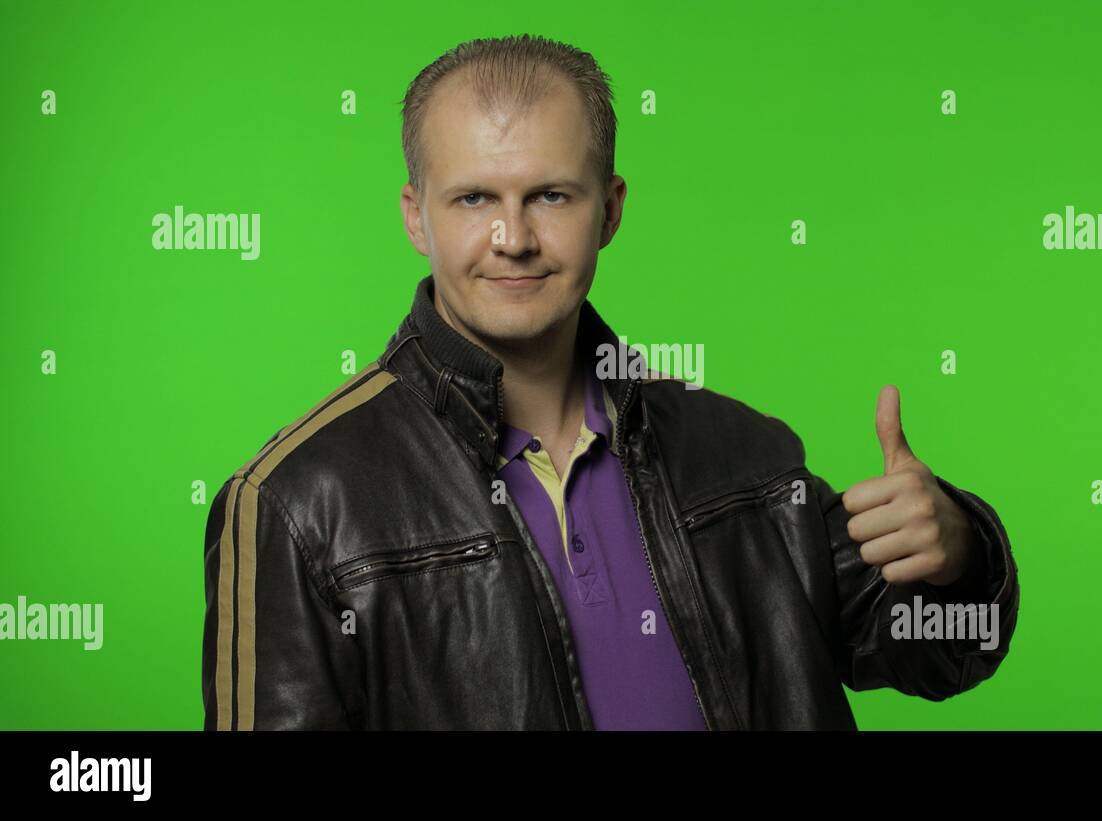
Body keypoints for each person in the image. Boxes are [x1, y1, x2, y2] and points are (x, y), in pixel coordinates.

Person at [202, 33, 1019, 730]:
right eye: (473, 197)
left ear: (611, 210)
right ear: (416, 215)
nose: (511, 237)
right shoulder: (294, 503)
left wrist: (960, 553)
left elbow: (941, 650)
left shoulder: (744, 455)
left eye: (551, 194)